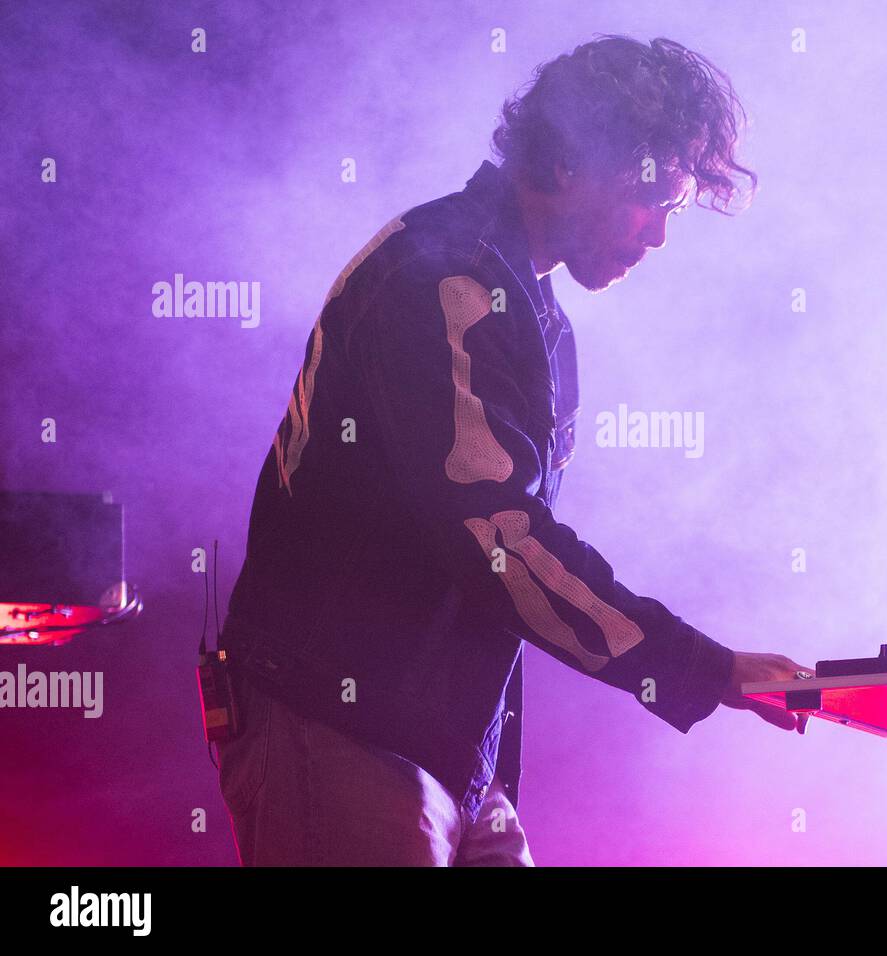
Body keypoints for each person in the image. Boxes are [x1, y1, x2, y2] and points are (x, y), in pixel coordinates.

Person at [215, 34, 812, 866]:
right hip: (339, 719)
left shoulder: (518, 297)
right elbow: (499, 542)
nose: (659, 236)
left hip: (437, 745)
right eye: (652, 200)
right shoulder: (443, 281)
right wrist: (698, 667)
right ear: (569, 164)